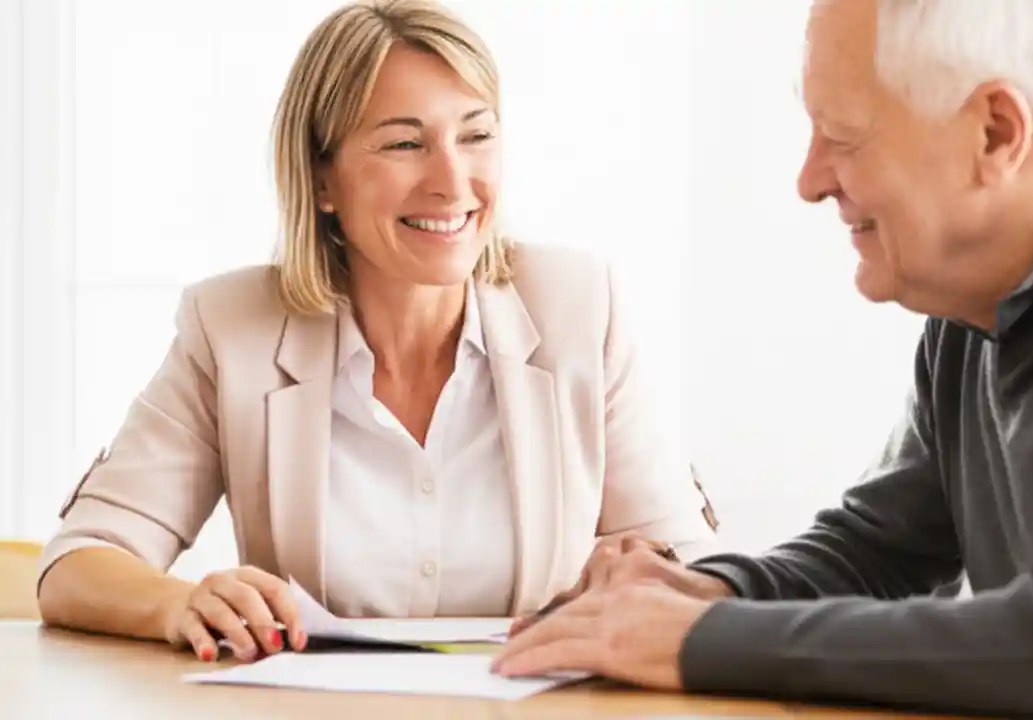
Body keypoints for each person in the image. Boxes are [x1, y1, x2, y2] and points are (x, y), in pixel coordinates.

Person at [493, 1, 1033, 717]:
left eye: (842, 137)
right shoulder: (977, 305)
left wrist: (703, 640)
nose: (808, 182)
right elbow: (880, 550)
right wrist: (705, 592)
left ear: (996, 132)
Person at [36, 0, 717, 665]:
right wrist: (177, 604)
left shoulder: (577, 305)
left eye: (476, 136)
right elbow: (78, 563)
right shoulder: (233, 328)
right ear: (322, 178)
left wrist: (638, 573)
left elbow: (695, 572)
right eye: (404, 144)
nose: (452, 183)